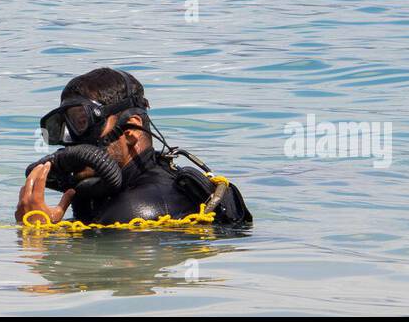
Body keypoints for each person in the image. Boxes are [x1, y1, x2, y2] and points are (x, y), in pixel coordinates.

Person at [15, 67, 251, 227]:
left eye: (83, 123)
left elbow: (93, 274)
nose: (72, 140)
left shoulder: (137, 210)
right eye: (66, 126)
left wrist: (37, 234)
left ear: (130, 130)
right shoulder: (123, 189)